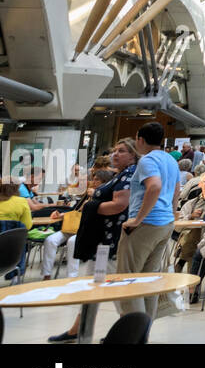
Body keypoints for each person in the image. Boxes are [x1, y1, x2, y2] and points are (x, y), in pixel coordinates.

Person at [47, 139, 138, 342]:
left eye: (121, 151)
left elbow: (119, 205)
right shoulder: (120, 175)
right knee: (95, 285)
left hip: (111, 241)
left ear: (133, 155)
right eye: (114, 150)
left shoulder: (129, 175)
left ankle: (131, 331)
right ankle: (79, 328)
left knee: (116, 288)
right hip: (103, 241)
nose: (115, 154)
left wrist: (92, 206)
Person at [117, 121, 180, 318]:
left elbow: (154, 186)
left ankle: (133, 331)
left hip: (146, 224)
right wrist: (172, 211)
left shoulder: (147, 161)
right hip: (165, 224)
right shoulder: (170, 160)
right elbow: (176, 189)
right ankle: (144, 329)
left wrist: (137, 219)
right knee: (149, 278)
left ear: (140, 139)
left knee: (128, 279)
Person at [41, 168, 114, 279]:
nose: (93, 182)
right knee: (50, 240)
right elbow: (76, 210)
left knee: (72, 242)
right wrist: (61, 215)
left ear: (105, 182)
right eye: (93, 179)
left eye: (97, 180)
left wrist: (93, 198)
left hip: (86, 229)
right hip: (72, 226)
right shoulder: (87, 194)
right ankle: (46, 274)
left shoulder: (105, 197)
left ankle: (71, 276)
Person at [174, 171, 205, 271]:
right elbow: (178, 225)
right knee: (195, 233)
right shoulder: (192, 203)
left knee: (198, 238)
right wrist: (191, 216)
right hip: (194, 237)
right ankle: (192, 273)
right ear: (200, 184)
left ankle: (182, 261)